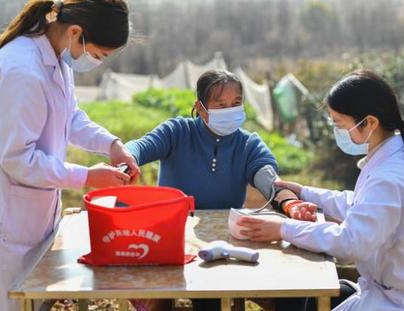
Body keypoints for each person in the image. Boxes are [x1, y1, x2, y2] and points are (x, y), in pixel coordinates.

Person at [238, 70, 404, 310]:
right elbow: (360, 205)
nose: (337, 131)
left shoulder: (389, 176)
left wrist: (283, 229)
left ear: (369, 122)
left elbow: (351, 240)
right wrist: (305, 192)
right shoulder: (396, 156)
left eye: (339, 124)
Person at [0, 1, 140, 310]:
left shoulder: (57, 59)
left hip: (32, 219)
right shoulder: (22, 71)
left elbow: (71, 117)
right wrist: (88, 177)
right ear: (75, 32)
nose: (96, 63)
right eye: (98, 55)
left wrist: (112, 144)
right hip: (4, 225)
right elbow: (17, 160)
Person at [125, 69, 312, 311]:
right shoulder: (177, 132)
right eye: (221, 105)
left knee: (214, 296)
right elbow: (141, 146)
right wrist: (127, 158)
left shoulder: (248, 145)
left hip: (225, 240)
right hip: (174, 236)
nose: (230, 111)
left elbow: (269, 179)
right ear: (201, 108)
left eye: (236, 104)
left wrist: (291, 204)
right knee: (159, 296)